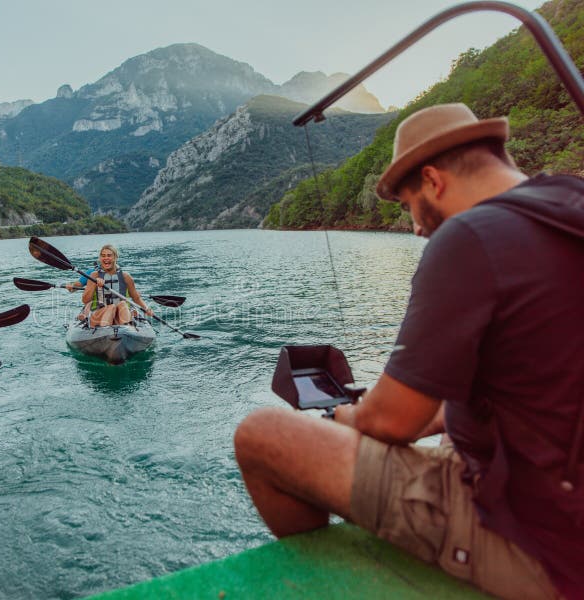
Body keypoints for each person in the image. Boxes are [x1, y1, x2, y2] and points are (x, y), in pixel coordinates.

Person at [233, 103, 584, 600]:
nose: (417, 229)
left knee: (260, 436)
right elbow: (540, 382)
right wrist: (438, 417)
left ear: (433, 180)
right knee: (443, 436)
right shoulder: (569, 205)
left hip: (542, 545)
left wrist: (345, 418)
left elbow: (390, 424)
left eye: (408, 206)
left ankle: (343, 588)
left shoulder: (468, 236)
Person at [81, 244, 153, 327]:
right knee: (111, 307)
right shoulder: (94, 276)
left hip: (119, 315)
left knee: (122, 304)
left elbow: (136, 298)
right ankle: (105, 331)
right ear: (100, 258)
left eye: (109, 255)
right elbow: (85, 301)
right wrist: (94, 283)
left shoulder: (126, 277)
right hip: (99, 314)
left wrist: (146, 308)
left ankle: (127, 329)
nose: (106, 258)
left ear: (115, 257)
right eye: (103, 256)